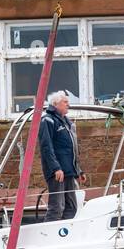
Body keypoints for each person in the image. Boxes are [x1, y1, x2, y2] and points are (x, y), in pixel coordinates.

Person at [38, 91, 82, 222]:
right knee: (57, 207)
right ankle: (47, 234)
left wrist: (79, 170)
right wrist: (56, 168)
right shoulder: (48, 120)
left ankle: (64, 233)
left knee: (72, 207)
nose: (68, 105)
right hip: (58, 171)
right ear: (56, 104)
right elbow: (46, 146)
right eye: (65, 102)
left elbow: (73, 148)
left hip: (68, 170)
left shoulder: (67, 123)